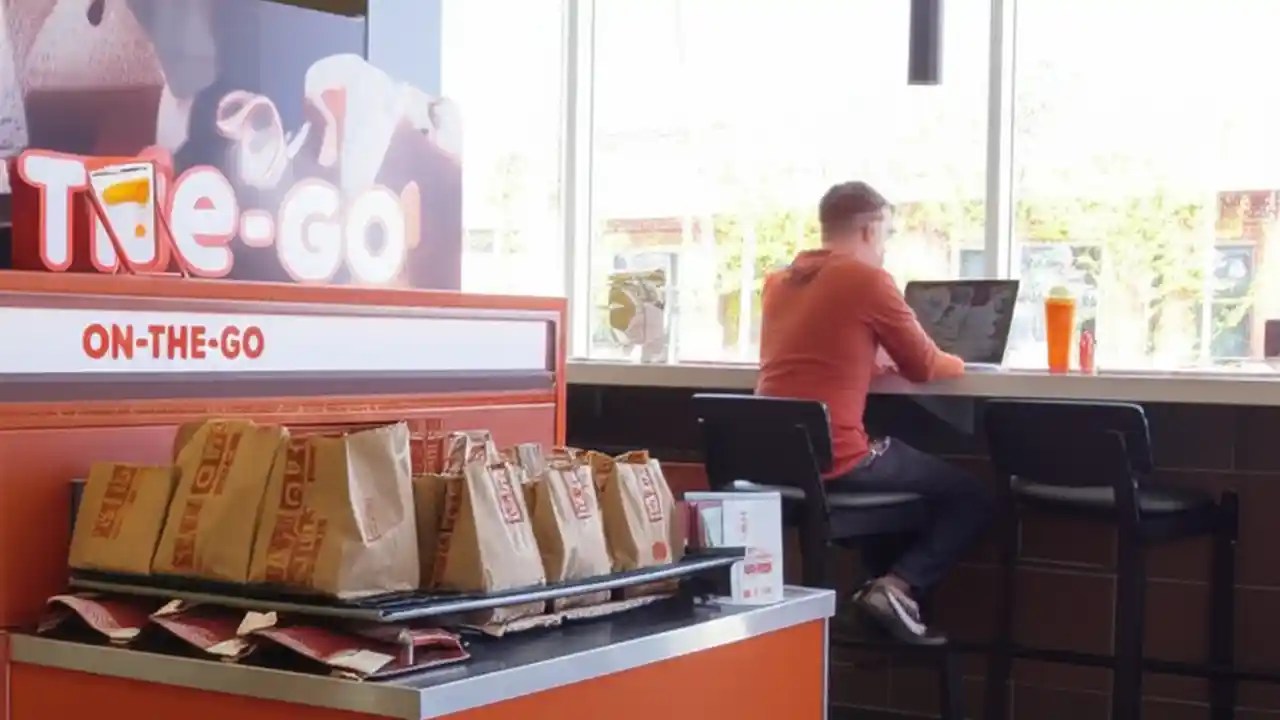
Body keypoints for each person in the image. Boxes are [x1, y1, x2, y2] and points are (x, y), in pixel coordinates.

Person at [756, 180, 993, 645]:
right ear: (868, 229)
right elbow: (925, 364)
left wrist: (868, 361)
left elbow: (815, 355)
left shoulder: (778, 283)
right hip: (836, 461)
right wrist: (967, 360)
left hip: (775, 460)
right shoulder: (866, 280)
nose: (884, 249)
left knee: (902, 486)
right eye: (885, 235)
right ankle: (894, 588)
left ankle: (878, 603)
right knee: (971, 496)